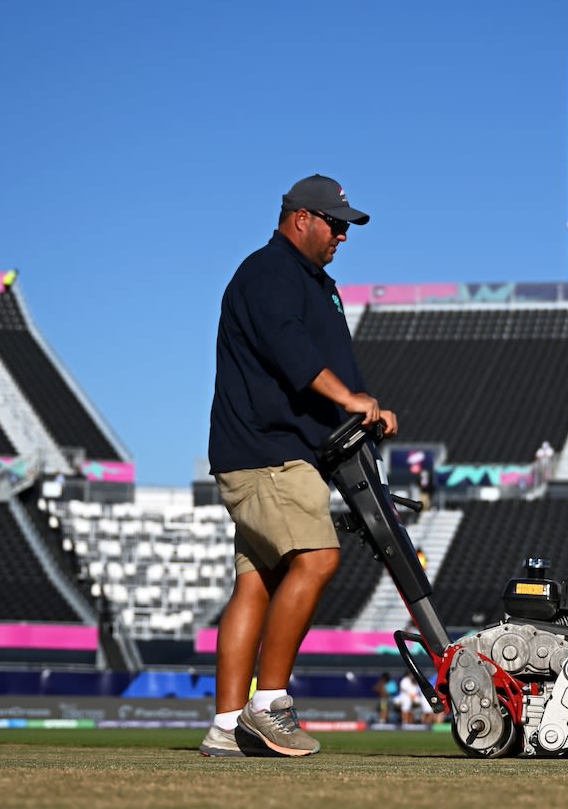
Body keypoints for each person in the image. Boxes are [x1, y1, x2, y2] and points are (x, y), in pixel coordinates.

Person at [200, 174, 396, 759]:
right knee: (318, 557)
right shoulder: (269, 273)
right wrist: (349, 400)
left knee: (256, 583)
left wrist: (369, 408)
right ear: (300, 218)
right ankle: (270, 705)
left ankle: (227, 725)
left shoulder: (315, 283)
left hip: (267, 453)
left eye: (347, 225)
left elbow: (333, 362)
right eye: (335, 223)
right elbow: (293, 353)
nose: (342, 234)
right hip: (270, 453)